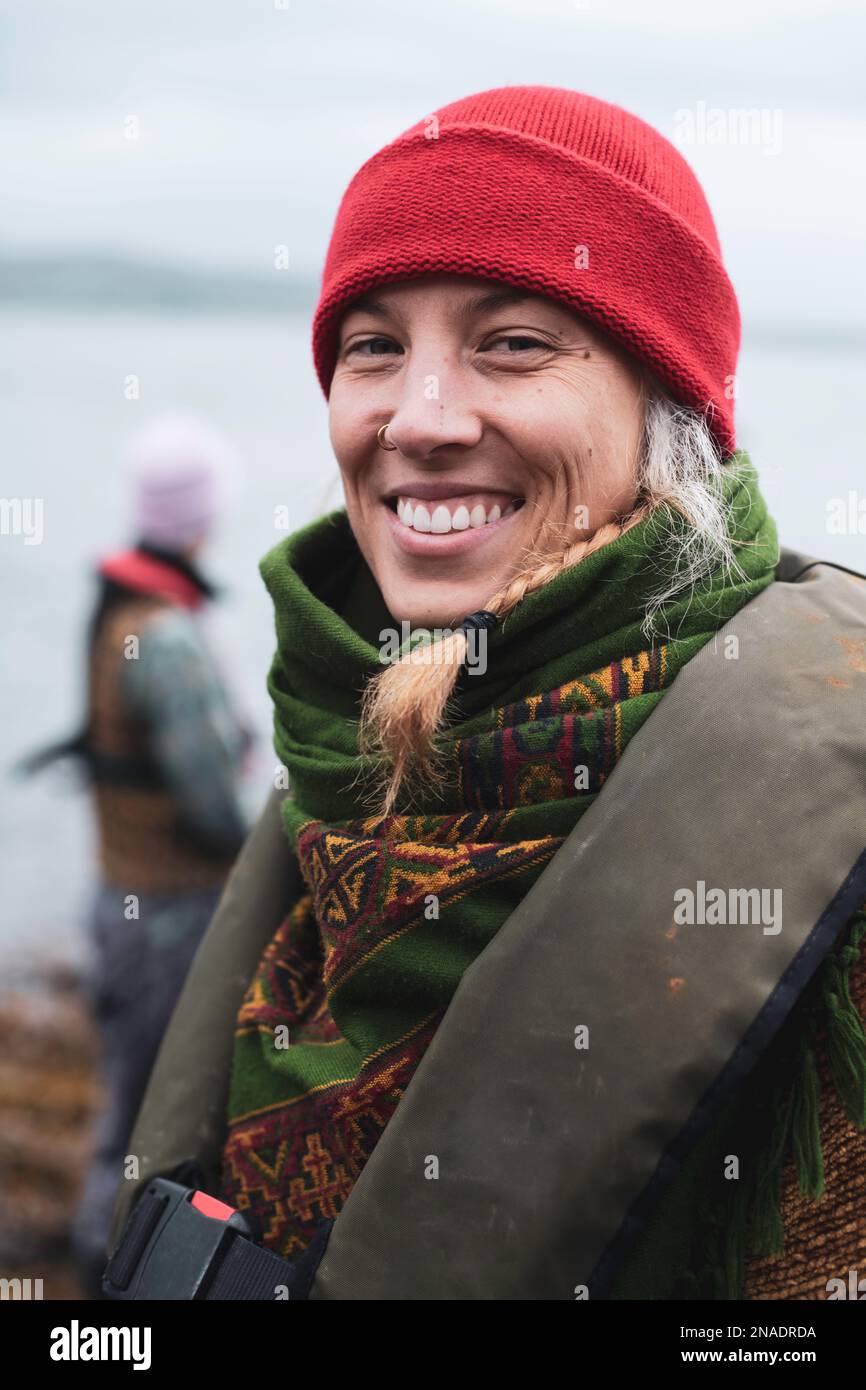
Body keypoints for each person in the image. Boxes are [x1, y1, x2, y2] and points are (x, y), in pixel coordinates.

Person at [107, 87, 866, 1301]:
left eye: (513, 342)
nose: (420, 418)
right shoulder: (341, 755)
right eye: (372, 346)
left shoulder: (837, 835)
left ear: (667, 409)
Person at [21, 413, 253, 1294]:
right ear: (206, 514)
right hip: (174, 922)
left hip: (117, 900)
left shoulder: (115, 606)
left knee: (126, 1092)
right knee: (163, 1107)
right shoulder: (168, 636)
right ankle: (113, 1263)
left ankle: (95, 1246)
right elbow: (218, 813)